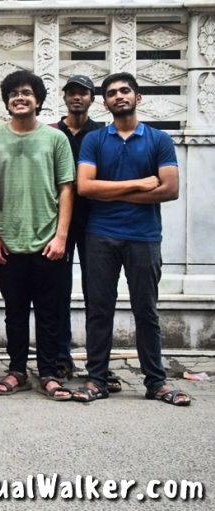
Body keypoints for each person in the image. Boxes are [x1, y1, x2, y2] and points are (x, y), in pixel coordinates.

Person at [74, 73, 188, 406]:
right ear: (105, 102)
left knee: (146, 312)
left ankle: (156, 382)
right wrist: (140, 184)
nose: (119, 96)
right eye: (111, 93)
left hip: (144, 237)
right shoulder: (95, 140)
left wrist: (111, 193)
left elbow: (170, 189)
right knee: (99, 310)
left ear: (138, 97)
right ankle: (97, 380)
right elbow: (85, 187)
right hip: (101, 235)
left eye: (125, 91)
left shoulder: (158, 139)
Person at [0, 71, 75, 401]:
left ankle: (48, 373)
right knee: (15, 311)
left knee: (50, 312)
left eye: (26, 93)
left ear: (38, 100)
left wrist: (61, 235)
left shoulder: (55, 139)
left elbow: (66, 188)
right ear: (6, 101)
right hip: (8, 239)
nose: (19, 98)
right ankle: (17, 370)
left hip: (48, 239)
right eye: (13, 94)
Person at [50, 75, 106, 382]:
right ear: (64, 97)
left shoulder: (101, 133)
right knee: (59, 291)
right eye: (71, 93)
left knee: (96, 292)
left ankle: (99, 362)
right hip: (58, 221)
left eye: (82, 93)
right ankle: (61, 357)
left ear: (91, 98)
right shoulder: (53, 132)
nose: (76, 98)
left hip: (95, 220)